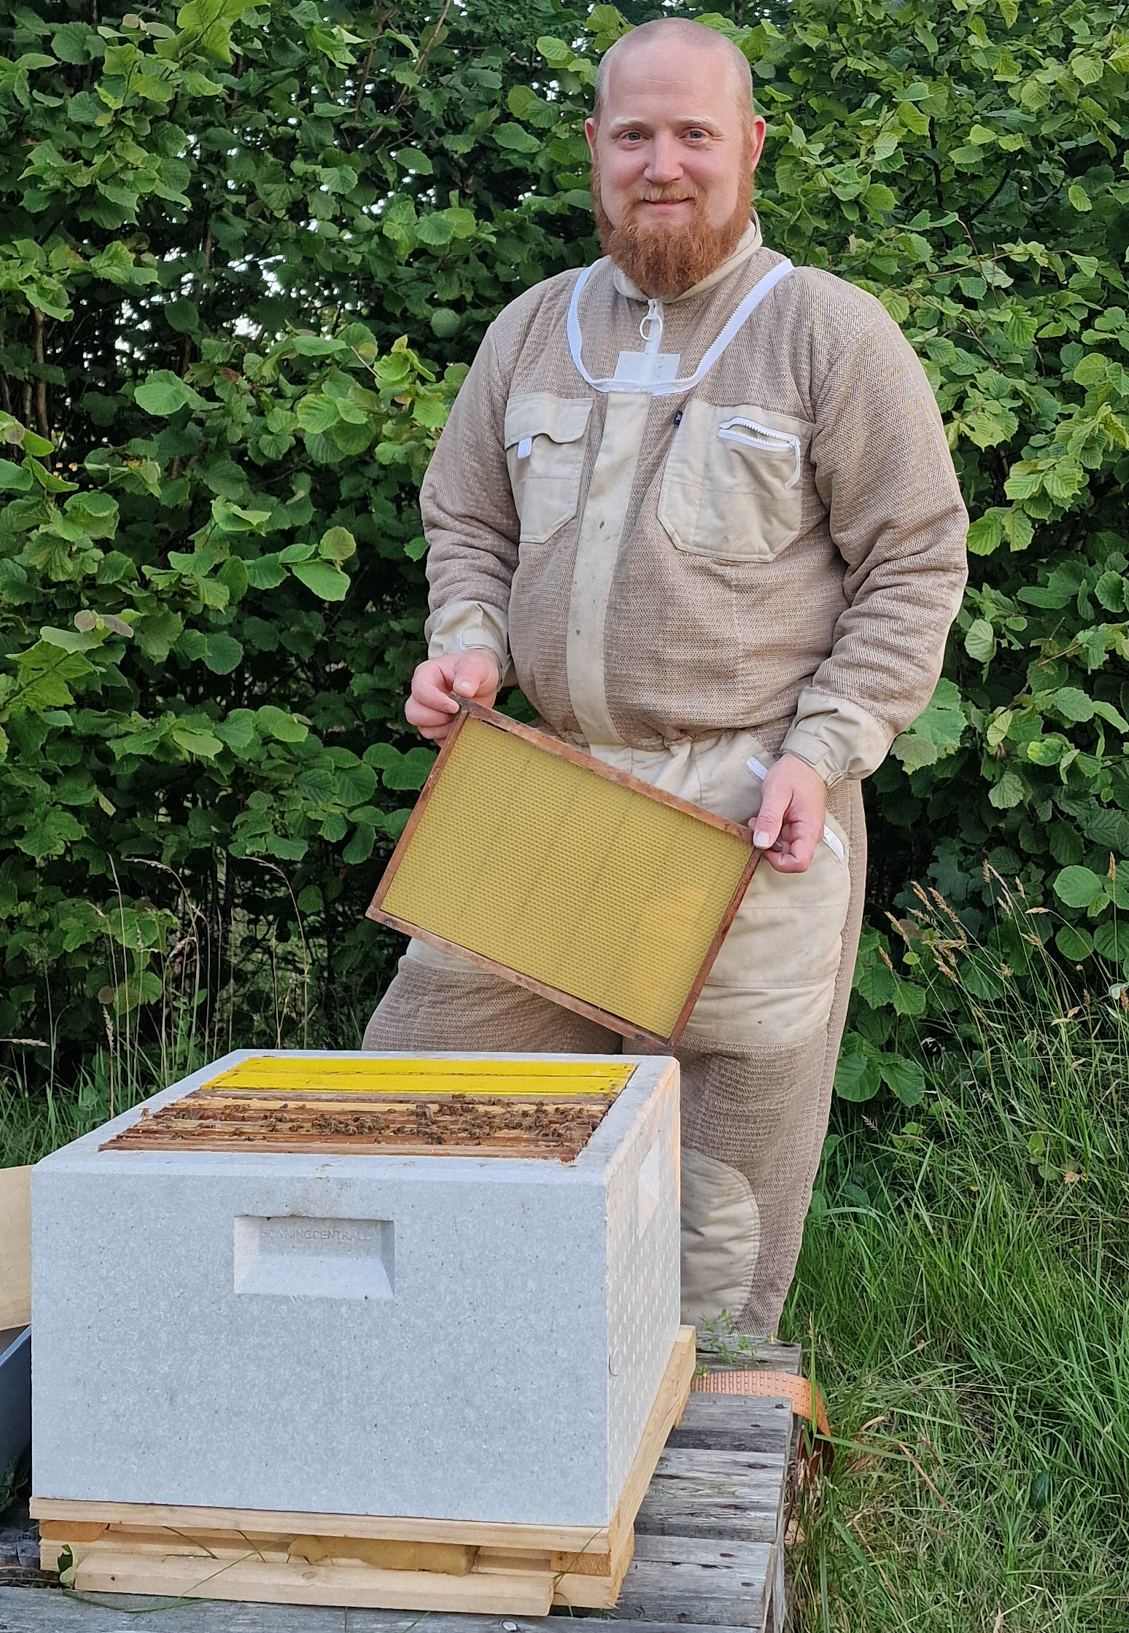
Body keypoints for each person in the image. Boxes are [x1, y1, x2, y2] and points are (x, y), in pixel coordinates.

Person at [363, 17, 968, 1337]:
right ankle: (438, 1403)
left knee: (713, 1217)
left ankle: (692, 1482)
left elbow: (916, 564)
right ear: (593, 148)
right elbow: (465, 519)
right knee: (415, 1116)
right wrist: (469, 640)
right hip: (551, 797)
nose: (663, 163)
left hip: (745, 811)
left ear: (749, 146)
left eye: (696, 133)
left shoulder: (827, 334)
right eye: (634, 133)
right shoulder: (531, 332)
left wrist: (824, 751)